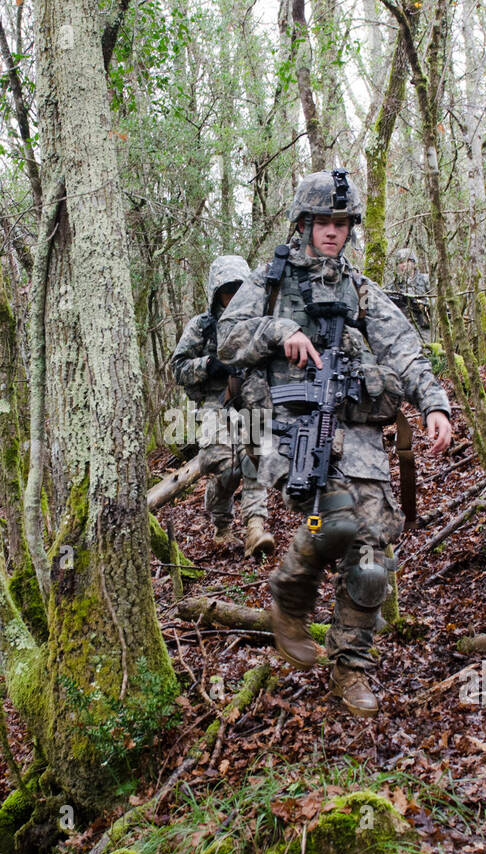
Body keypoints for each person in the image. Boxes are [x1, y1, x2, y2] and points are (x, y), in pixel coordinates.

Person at [217, 170, 452, 718]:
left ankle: (350, 669)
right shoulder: (268, 283)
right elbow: (227, 341)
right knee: (336, 522)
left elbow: (403, 350)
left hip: (359, 432)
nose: (332, 231)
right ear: (303, 224)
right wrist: (279, 332)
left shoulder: (359, 288)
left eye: (341, 223)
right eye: (323, 221)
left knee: (371, 562)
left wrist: (434, 401)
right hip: (285, 425)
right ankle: (290, 590)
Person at [170, 255, 276, 559]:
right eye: (227, 290)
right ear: (216, 293)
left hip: (251, 399)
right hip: (214, 405)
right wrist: (207, 365)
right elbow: (177, 367)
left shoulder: (257, 322)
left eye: (238, 289)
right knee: (227, 467)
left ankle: (256, 527)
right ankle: (221, 525)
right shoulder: (202, 327)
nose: (232, 297)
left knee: (255, 456)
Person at [385, 247, 431, 329]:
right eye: (400, 262)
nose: (403, 265)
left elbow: (439, 303)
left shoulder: (426, 280)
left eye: (406, 261)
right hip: (401, 329)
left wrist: (421, 304)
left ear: (413, 263)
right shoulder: (392, 287)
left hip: (423, 328)